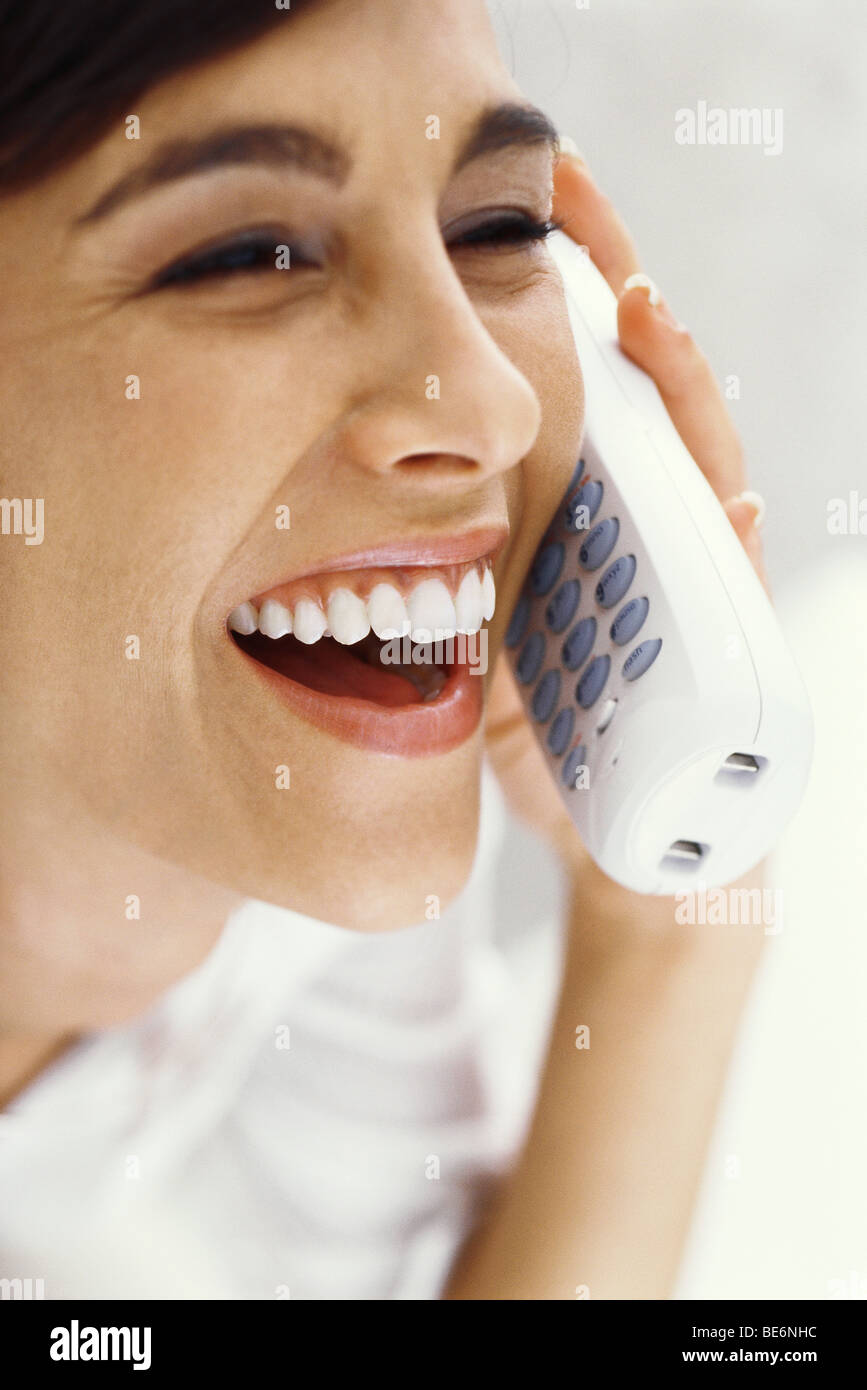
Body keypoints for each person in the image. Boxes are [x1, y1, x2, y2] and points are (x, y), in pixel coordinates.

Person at [0, 0, 769, 1299]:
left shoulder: (271, 786)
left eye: (498, 227)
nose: (493, 402)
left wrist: (670, 917)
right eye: (249, 252)